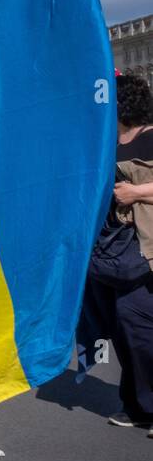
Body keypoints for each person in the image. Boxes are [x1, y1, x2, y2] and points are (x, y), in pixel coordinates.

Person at [84, 74, 153, 433]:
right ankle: (137, 405)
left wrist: (137, 192)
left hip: (144, 251)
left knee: (136, 323)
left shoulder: (150, 137)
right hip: (110, 252)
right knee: (120, 330)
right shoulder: (106, 142)